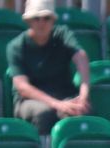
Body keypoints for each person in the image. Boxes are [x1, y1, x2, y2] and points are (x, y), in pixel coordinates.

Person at [6, 0, 91, 135]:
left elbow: (81, 57)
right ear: (28, 21)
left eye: (46, 18)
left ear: (52, 20)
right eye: (36, 18)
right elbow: (23, 88)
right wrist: (57, 104)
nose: (41, 22)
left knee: (81, 112)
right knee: (44, 113)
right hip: (29, 101)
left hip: (64, 95)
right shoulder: (16, 46)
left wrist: (83, 95)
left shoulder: (62, 34)